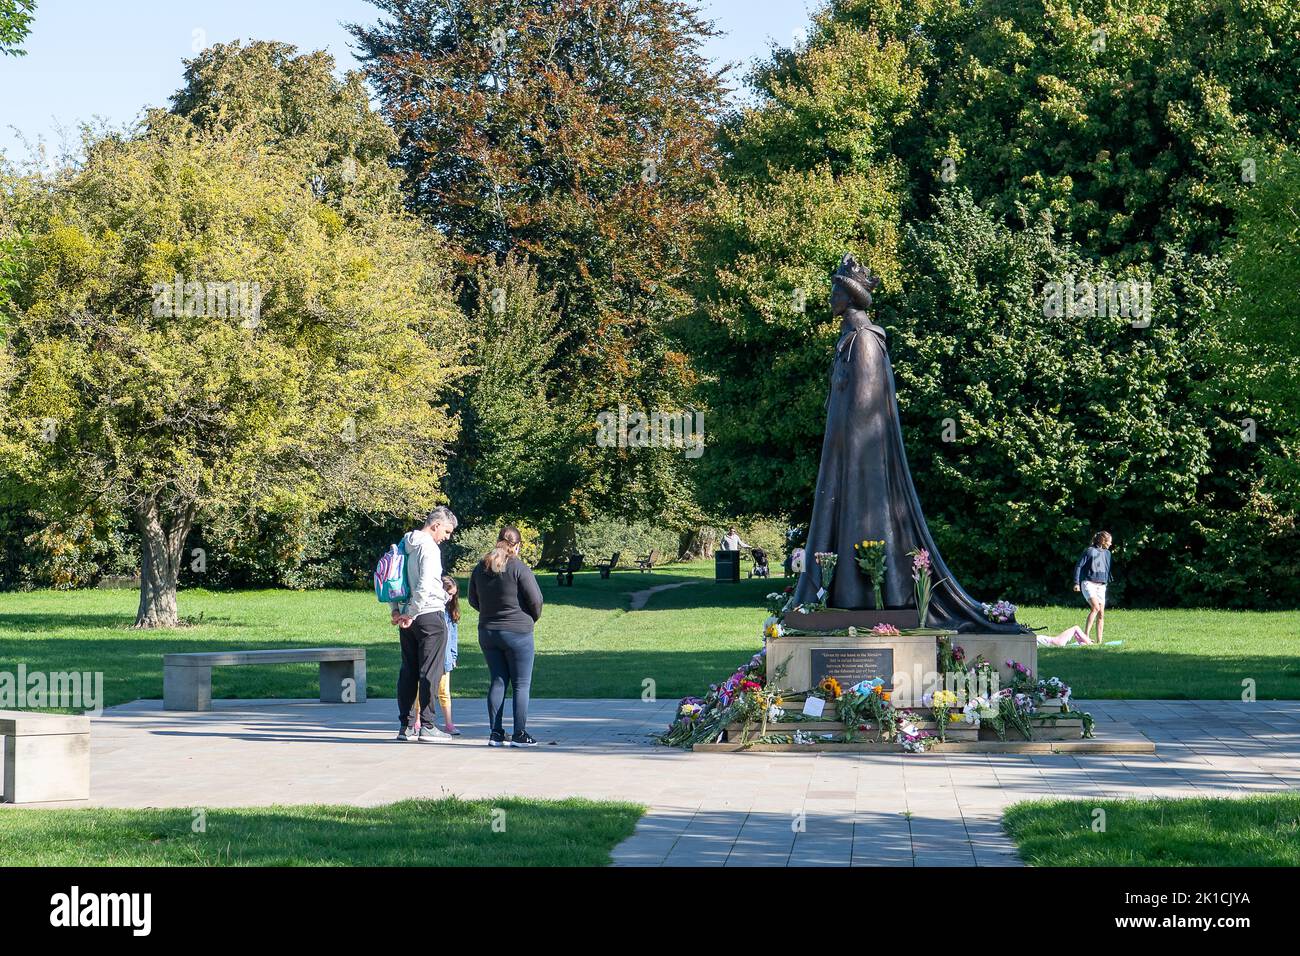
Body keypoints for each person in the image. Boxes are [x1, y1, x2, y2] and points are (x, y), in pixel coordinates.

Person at [469, 525, 543, 747]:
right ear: (517, 546)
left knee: (498, 680)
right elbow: (536, 600)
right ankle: (520, 733)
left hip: (488, 632)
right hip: (517, 632)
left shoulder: (480, 568)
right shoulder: (519, 568)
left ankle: (496, 733)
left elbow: (473, 600)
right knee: (521, 684)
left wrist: (489, 612)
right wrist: (531, 618)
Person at [390, 506, 458, 742]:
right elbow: (427, 584)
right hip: (428, 615)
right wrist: (413, 612)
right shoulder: (429, 547)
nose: (446, 538)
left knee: (408, 670)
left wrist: (398, 611)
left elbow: (393, 577)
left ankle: (406, 726)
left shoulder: (404, 542)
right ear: (436, 525)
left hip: (407, 615)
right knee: (430, 671)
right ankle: (428, 725)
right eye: (447, 532)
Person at [1074, 531, 1113, 644]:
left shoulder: (1108, 553)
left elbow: (1107, 568)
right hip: (1088, 583)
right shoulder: (1089, 551)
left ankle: (1099, 642)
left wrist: (1107, 580)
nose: (1110, 544)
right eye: (1109, 541)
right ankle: (1085, 637)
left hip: (1101, 585)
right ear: (1102, 540)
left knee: (1101, 613)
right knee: (1095, 608)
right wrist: (1076, 583)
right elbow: (1079, 566)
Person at [435, 575, 461, 735]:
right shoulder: (433, 611)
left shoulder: (451, 612)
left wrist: (453, 656)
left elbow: (453, 637)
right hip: (432, 656)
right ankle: (416, 721)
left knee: (444, 691)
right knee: (420, 690)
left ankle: (449, 724)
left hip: (445, 658)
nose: (451, 598)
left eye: (453, 595)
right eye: (449, 594)